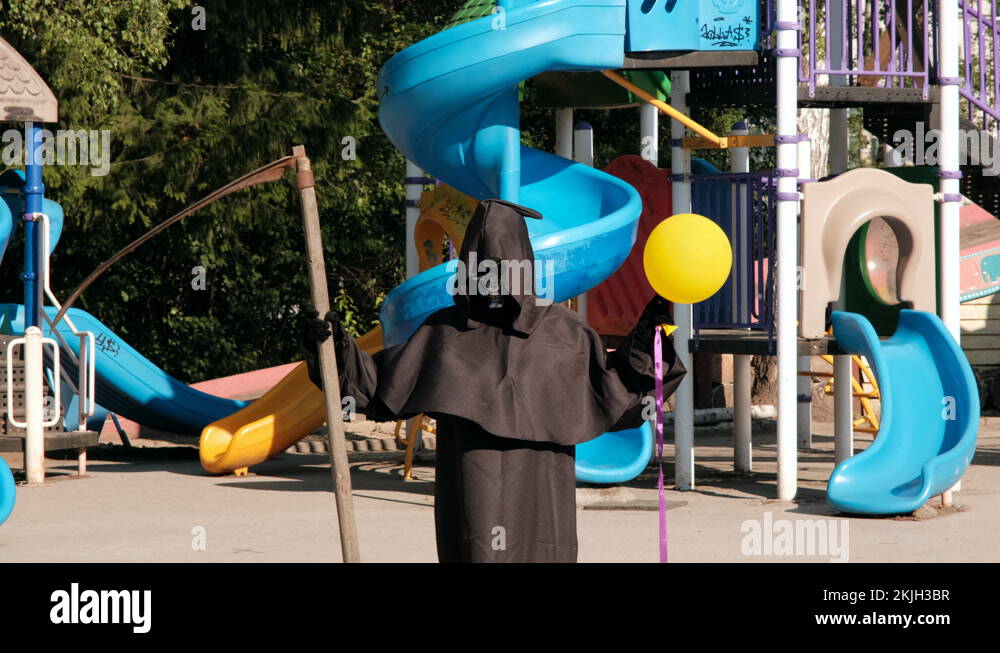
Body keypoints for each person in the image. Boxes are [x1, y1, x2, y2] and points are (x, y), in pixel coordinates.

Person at [302, 198, 685, 563]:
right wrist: (332, 346)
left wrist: (649, 339)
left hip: (531, 514)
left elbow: (623, 396)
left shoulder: (561, 334)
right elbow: (371, 387)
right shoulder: (446, 333)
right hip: (476, 506)